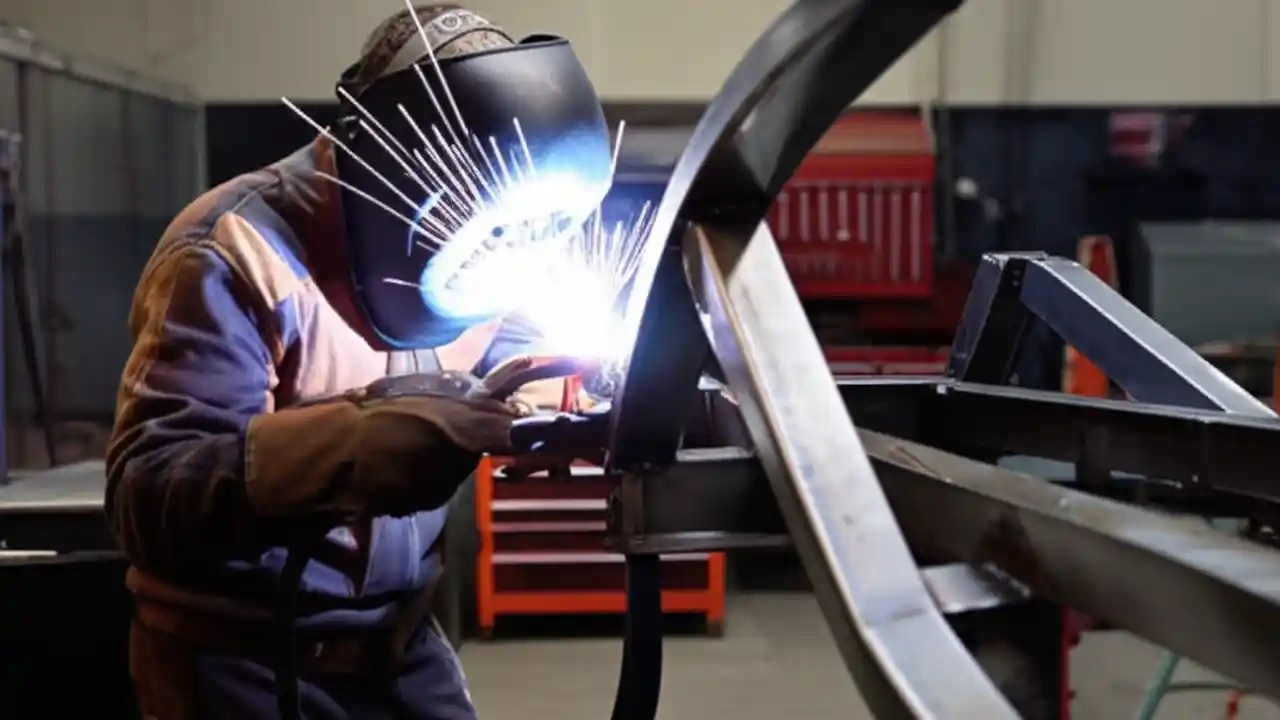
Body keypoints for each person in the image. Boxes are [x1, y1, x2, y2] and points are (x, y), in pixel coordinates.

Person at [106, 4, 613, 718]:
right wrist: (355, 446)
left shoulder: (496, 226)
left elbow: (516, 356)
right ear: (402, 168)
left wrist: (567, 399)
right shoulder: (233, 252)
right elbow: (147, 497)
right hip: (241, 663)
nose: (506, 249)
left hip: (398, 649)